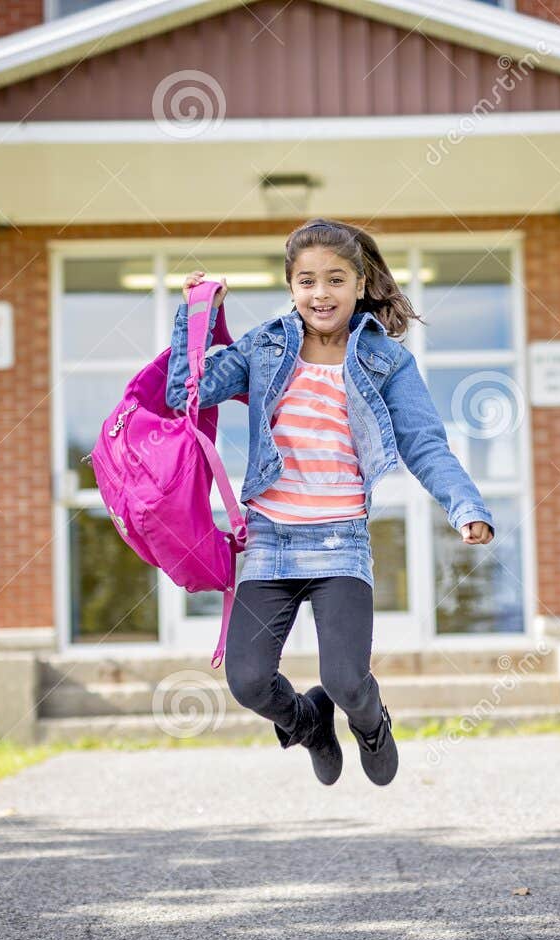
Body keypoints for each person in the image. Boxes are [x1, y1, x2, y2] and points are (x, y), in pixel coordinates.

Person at [165, 218, 495, 787]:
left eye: (336, 280)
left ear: (360, 284)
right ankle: (310, 723)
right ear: (291, 286)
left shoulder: (386, 360)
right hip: (270, 539)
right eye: (307, 281)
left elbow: (424, 443)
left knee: (346, 680)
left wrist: (465, 505)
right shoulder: (266, 346)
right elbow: (184, 394)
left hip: (340, 541)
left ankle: (371, 726)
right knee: (248, 682)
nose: (322, 294)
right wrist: (196, 316)